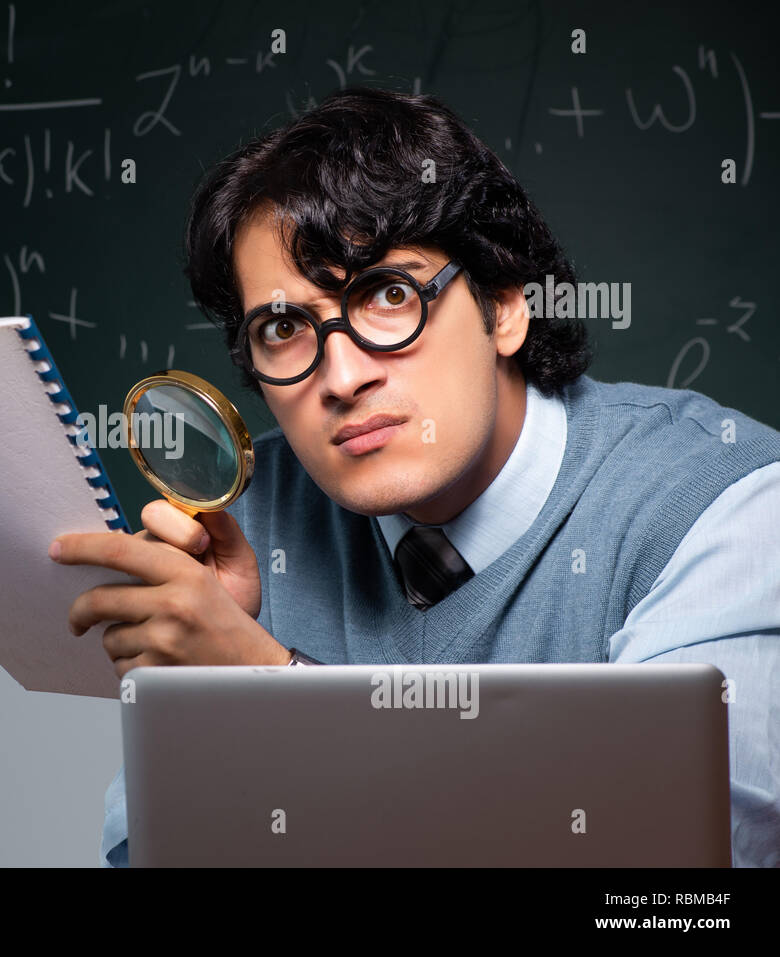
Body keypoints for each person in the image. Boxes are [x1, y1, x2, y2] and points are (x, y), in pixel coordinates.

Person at [45, 88, 780, 868]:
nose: (341, 375)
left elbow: (660, 879)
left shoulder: (725, 505)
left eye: (389, 295)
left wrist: (262, 692)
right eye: (285, 328)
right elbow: (144, 853)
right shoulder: (242, 535)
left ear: (504, 305)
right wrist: (195, 711)